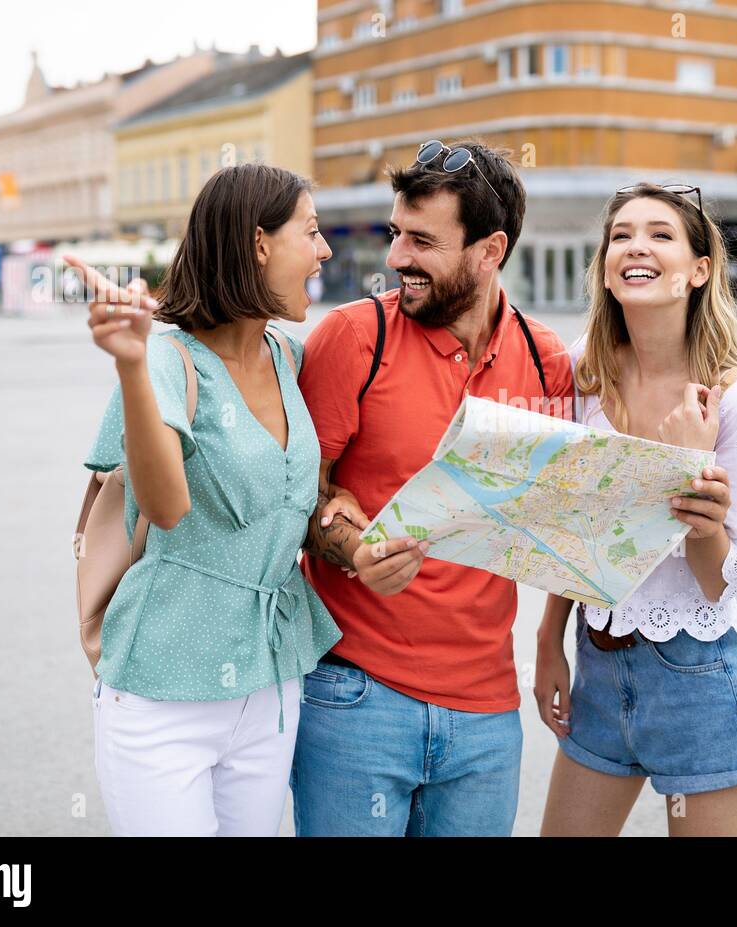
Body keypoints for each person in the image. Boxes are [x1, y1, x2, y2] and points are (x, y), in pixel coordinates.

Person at [292, 139, 574, 836]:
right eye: (395, 234)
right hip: (354, 697)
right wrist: (353, 545)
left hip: (487, 717)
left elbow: (564, 525)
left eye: (422, 241)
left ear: (490, 250)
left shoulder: (547, 361)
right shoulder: (353, 339)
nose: (396, 259)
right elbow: (297, 499)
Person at [72, 164, 350, 836]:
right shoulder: (169, 361)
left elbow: (298, 495)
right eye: (310, 233)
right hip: (163, 691)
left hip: (270, 685)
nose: (325, 251)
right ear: (259, 245)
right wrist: (132, 364)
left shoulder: (289, 355)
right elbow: (166, 505)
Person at [534, 182, 737, 837]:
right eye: (621, 235)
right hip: (599, 661)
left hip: (698, 676)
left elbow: (723, 578)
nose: (635, 246)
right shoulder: (584, 377)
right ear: (606, 268)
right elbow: (572, 528)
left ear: (699, 270)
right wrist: (547, 643)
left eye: (660, 234)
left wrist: (691, 481)